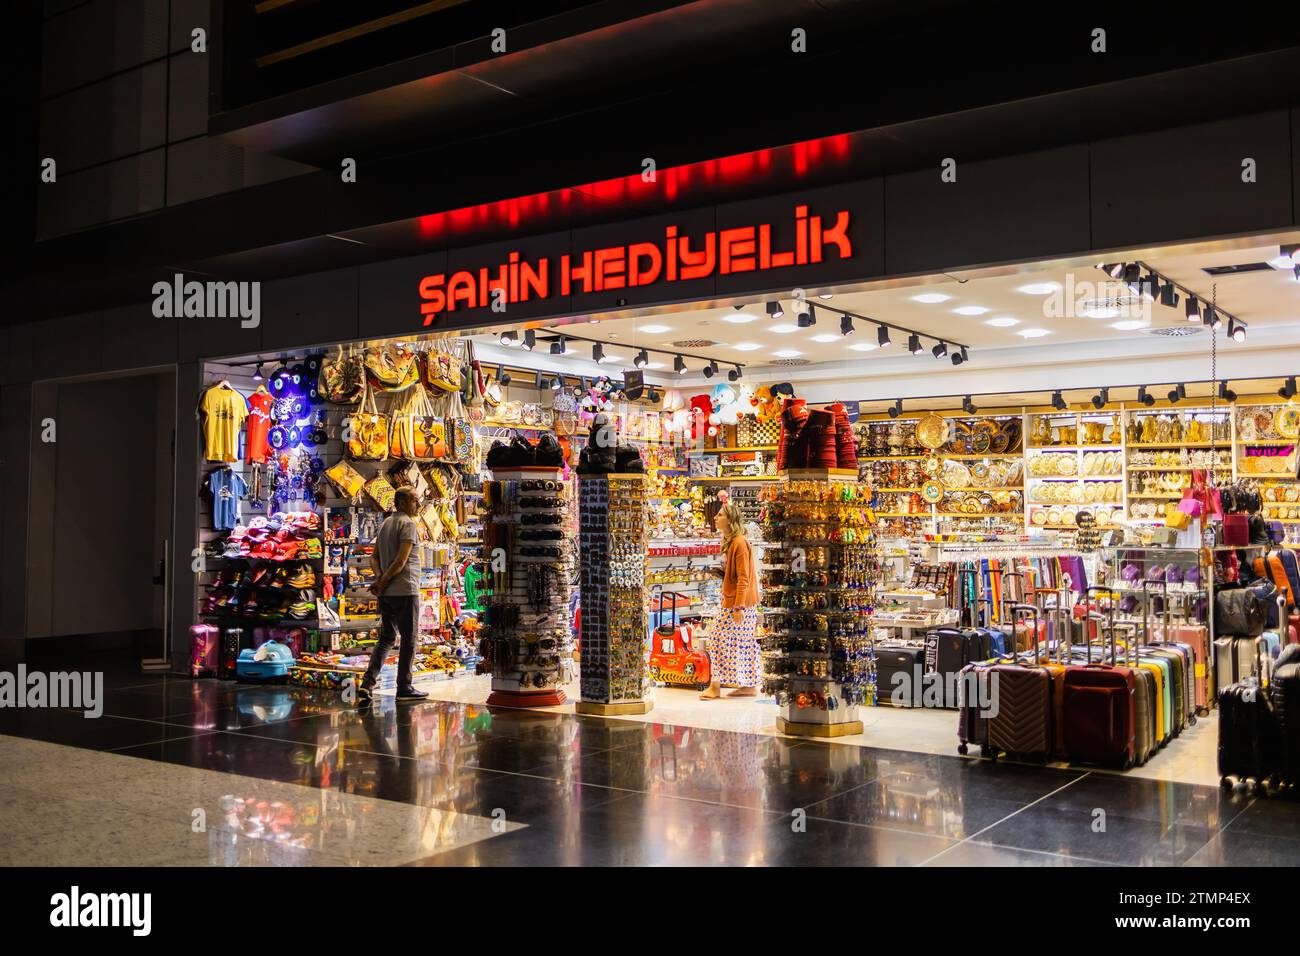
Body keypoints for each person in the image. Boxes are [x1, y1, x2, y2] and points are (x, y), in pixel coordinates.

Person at [358, 488, 428, 703]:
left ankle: (367, 683)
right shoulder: (407, 524)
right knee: (409, 639)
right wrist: (382, 581)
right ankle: (404, 686)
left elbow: (374, 558)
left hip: (388, 593)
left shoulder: (386, 523)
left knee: (386, 637)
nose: (418, 504)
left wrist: (380, 579)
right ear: (403, 502)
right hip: (405, 589)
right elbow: (401, 560)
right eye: (415, 500)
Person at [701, 501, 761, 700]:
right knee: (744, 642)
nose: (716, 517)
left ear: (730, 520)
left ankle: (716, 685)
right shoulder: (733, 541)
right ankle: (749, 684)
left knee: (716, 638)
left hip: (738, 603)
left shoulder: (739, 543)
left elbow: (743, 577)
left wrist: (738, 606)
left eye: (720, 515)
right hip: (740, 601)